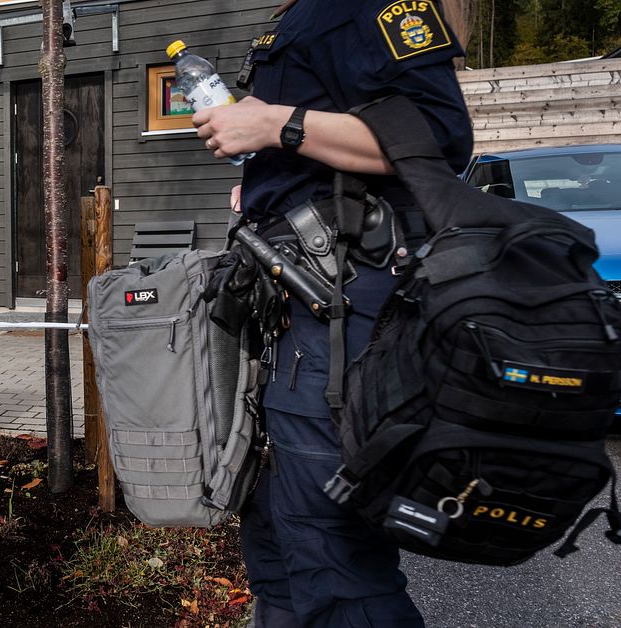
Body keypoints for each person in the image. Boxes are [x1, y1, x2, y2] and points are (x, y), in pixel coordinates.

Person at [193, 1, 473, 626]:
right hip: (291, 307)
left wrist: (278, 126)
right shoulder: (304, 10)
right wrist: (273, 181)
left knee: (332, 553)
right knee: (275, 538)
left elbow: (439, 134)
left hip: (339, 307)